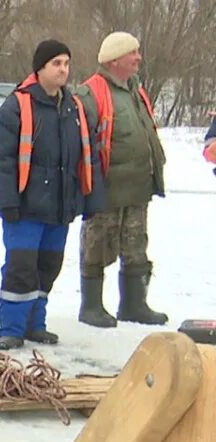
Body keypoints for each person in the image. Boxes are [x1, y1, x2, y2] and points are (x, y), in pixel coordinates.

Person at [0, 39, 104, 351]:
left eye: (66, 63)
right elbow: (1, 160)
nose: (63, 70)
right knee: (21, 268)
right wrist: (7, 202)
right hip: (25, 209)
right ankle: (11, 328)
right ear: (40, 68)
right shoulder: (17, 106)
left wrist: (91, 200)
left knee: (47, 268)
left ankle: (34, 325)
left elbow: (89, 156)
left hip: (60, 209)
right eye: (56, 64)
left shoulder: (75, 107)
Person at [75, 31, 168, 327]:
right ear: (115, 59)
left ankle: (134, 304)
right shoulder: (91, 93)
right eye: (133, 53)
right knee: (97, 244)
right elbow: (81, 141)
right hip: (106, 189)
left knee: (136, 244)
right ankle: (91, 307)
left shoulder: (135, 90)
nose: (139, 58)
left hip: (138, 187)